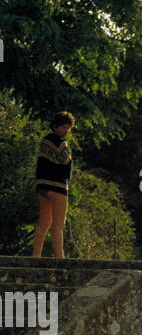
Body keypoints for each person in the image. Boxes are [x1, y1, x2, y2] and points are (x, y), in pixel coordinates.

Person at [33, 111, 75, 260]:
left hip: (43, 186)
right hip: (58, 186)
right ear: (55, 126)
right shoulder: (61, 143)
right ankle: (60, 257)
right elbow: (66, 163)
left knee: (44, 223)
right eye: (64, 127)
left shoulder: (44, 141)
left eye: (68, 128)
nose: (66, 131)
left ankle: (36, 256)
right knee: (58, 224)